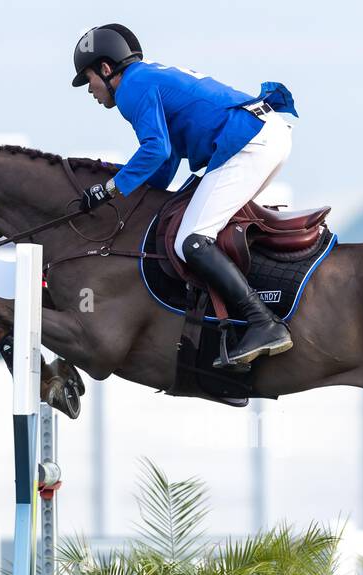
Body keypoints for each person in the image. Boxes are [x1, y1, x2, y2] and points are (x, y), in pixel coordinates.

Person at [72, 23, 297, 368]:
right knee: (202, 229)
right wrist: (122, 187)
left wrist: (109, 188)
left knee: (190, 240)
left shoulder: (131, 87)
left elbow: (155, 150)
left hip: (249, 142)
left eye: (88, 79)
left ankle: (262, 322)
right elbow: (165, 164)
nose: (90, 90)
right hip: (264, 135)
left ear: (106, 69)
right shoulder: (145, 79)